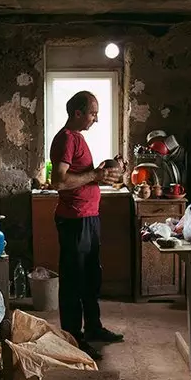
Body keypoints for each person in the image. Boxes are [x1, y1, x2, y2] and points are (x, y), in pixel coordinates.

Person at [49, 90, 125, 360]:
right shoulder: (66, 138)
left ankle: (93, 327)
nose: (96, 119)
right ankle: (73, 337)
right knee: (74, 280)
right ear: (77, 113)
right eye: (93, 113)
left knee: (91, 277)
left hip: (88, 217)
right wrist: (96, 174)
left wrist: (104, 170)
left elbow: (83, 176)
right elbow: (58, 181)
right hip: (74, 220)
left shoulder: (78, 139)